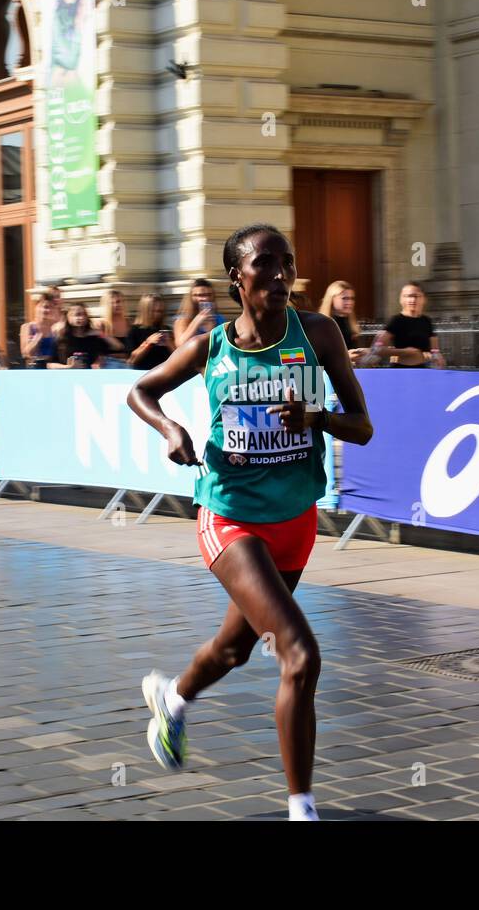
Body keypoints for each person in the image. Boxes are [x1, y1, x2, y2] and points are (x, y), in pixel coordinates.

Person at [128, 223, 373, 822]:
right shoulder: (211, 346)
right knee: (300, 656)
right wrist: (172, 430)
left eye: (288, 263)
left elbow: (362, 426)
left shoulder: (318, 334)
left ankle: (173, 697)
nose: (282, 275)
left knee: (235, 648)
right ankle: (302, 809)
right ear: (237, 277)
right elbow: (142, 391)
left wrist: (315, 417)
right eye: (266, 264)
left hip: (296, 519)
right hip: (230, 517)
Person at [363, 281, 444, 368]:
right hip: (400, 370)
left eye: (416, 296)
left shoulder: (426, 321)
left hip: (421, 370)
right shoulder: (396, 320)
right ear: (402, 299)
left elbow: (435, 349)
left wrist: (437, 356)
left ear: (423, 299)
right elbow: (377, 348)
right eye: (408, 296)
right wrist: (404, 352)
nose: (413, 300)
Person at [51, 302, 123, 369]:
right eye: (77, 314)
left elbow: (118, 346)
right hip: (68, 376)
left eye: (84, 314)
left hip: (91, 376)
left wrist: (101, 334)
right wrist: (68, 367)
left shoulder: (92, 337)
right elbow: (50, 364)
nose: (81, 317)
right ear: (68, 317)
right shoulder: (62, 338)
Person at [318, 280, 367, 364]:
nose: (349, 302)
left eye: (352, 298)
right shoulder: (322, 324)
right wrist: (346, 356)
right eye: (345, 298)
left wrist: (362, 353)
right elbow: (320, 354)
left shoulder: (351, 323)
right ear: (332, 299)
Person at [125, 293, 175, 371]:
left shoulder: (166, 329)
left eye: (160, 311)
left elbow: (178, 357)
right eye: (154, 311)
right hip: (143, 373)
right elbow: (131, 361)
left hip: (165, 373)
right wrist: (148, 343)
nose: (158, 314)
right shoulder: (135, 330)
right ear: (146, 311)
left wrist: (170, 343)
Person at [173, 278, 226, 346]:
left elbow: (222, 344)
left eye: (208, 295)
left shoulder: (219, 318)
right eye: (200, 295)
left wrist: (211, 329)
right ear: (191, 297)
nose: (205, 298)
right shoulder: (182, 319)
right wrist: (196, 322)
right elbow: (180, 345)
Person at [20, 289, 65, 368]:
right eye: (44, 307)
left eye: (50, 307)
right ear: (36, 307)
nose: (47, 310)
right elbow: (26, 354)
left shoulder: (56, 327)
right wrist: (38, 337)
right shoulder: (28, 327)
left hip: (55, 367)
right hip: (36, 368)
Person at [96, 288, 132, 367]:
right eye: (113, 302)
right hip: (110, 362)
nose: (117, 305)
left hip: (129, 361)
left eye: (120, 301)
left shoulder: (129, 322)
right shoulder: (102, 324)